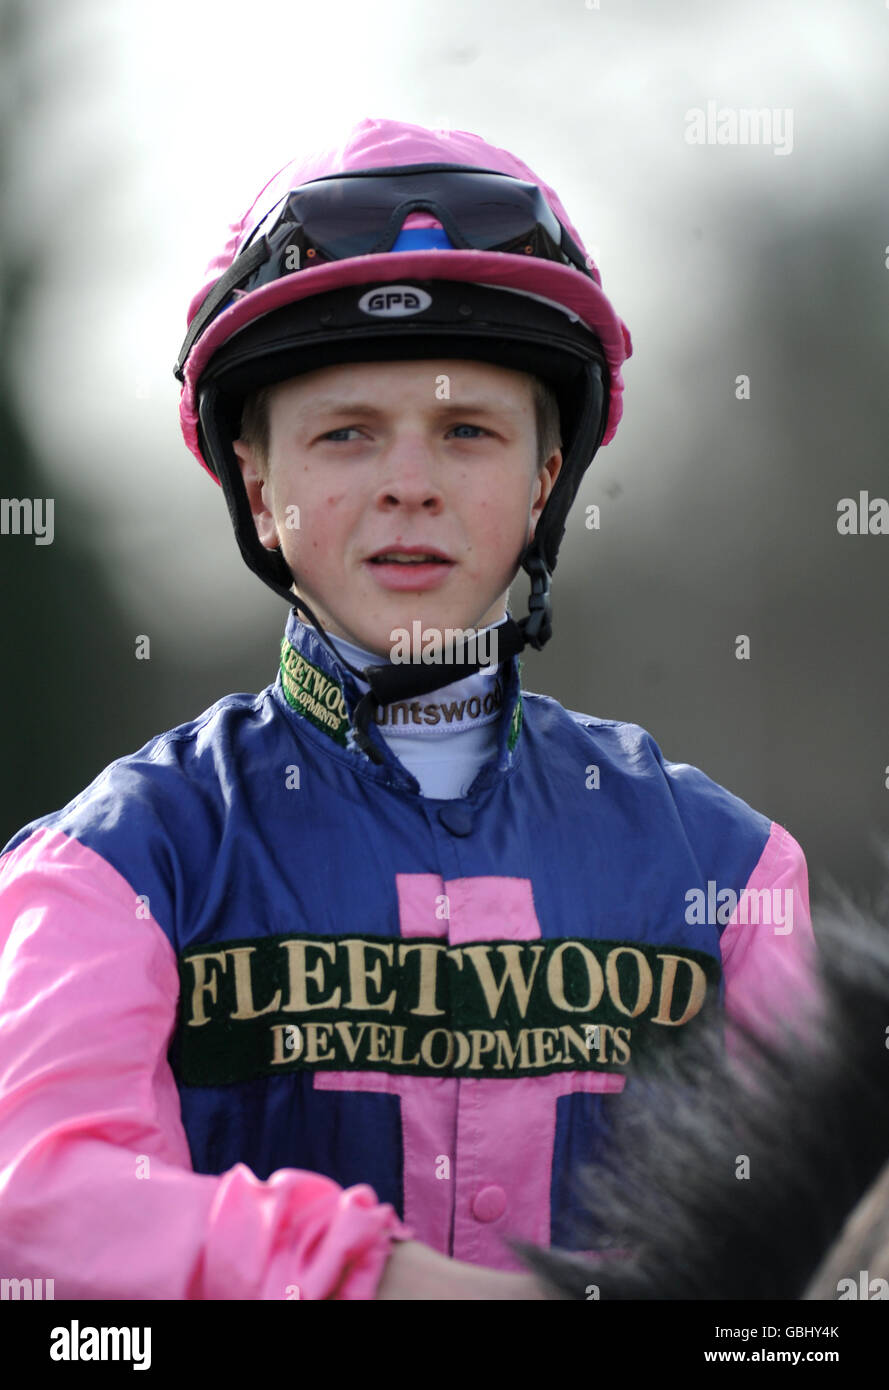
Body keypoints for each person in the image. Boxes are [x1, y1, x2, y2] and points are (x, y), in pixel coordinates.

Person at [0, 116, 816, 1300]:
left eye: (467, 432)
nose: (409, 483)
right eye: (346, 434)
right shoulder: (111, 865)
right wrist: (382, 1282)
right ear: (258, 485)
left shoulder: (737, 878)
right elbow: (34, 1208)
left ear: (545, 482)